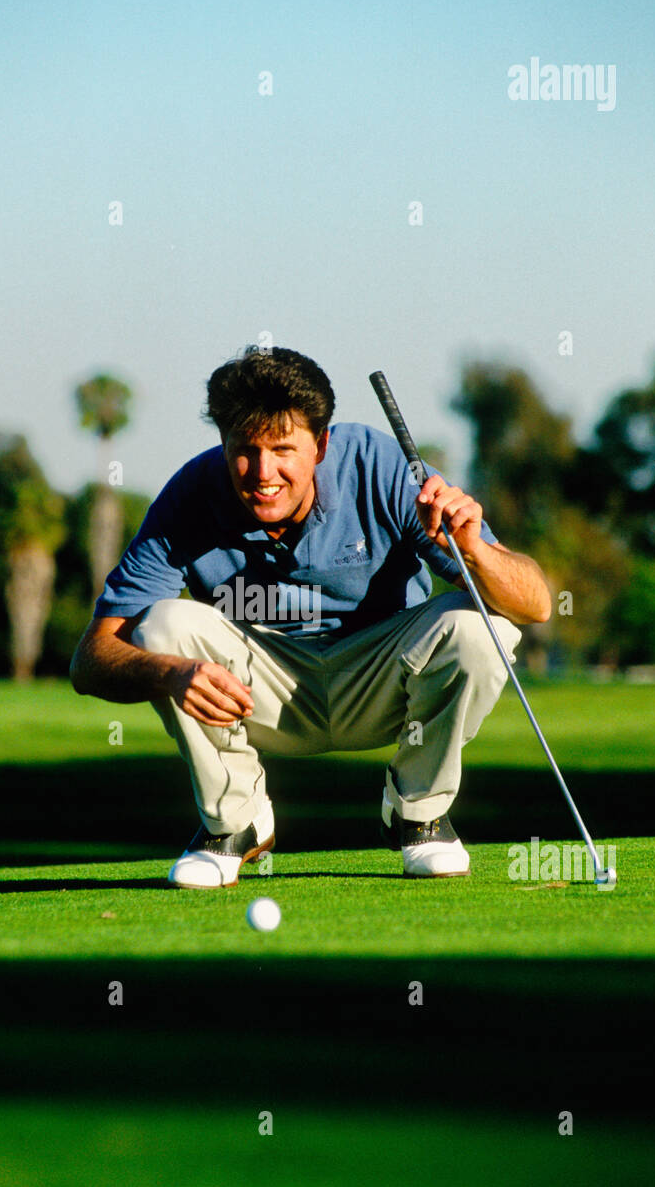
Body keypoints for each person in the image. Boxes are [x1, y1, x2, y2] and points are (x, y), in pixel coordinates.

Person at [71, 346, 551, 888]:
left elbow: (534, 604)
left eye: (282, 449)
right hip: (259, 692)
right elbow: (90, 661)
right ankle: (235, 822)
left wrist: (475, 553)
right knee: (161, 627)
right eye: (244, 451)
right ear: (223, 444)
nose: (262, 472)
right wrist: (169, 673)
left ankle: (420, 812)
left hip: (382, 680)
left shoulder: (383, 466)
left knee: (480, 624)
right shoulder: (190, 494)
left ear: (321, 445)